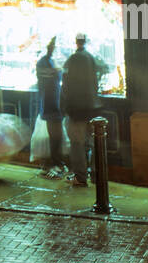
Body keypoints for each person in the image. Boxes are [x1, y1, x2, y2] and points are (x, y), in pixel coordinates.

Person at [61, 33, 101, 187]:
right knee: (93, 143)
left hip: (77, 109)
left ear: (76, 42)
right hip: (93, 107)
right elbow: (100, 72)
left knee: (77, 144)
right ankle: (97, 175)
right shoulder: (90, 57)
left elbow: (65, 85)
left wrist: (65, 105)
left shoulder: (73, 58)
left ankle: (80, 177)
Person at [34, 37, 65, 177]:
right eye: (52, 46)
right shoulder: (44, 62)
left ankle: (56, 162)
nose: (53, 48)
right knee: (55, 135)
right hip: (50, 104)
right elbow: (48, 76)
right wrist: (57, 71)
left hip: (53, 104)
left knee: (56, 135)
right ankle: (55, 162)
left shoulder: (49, 61)